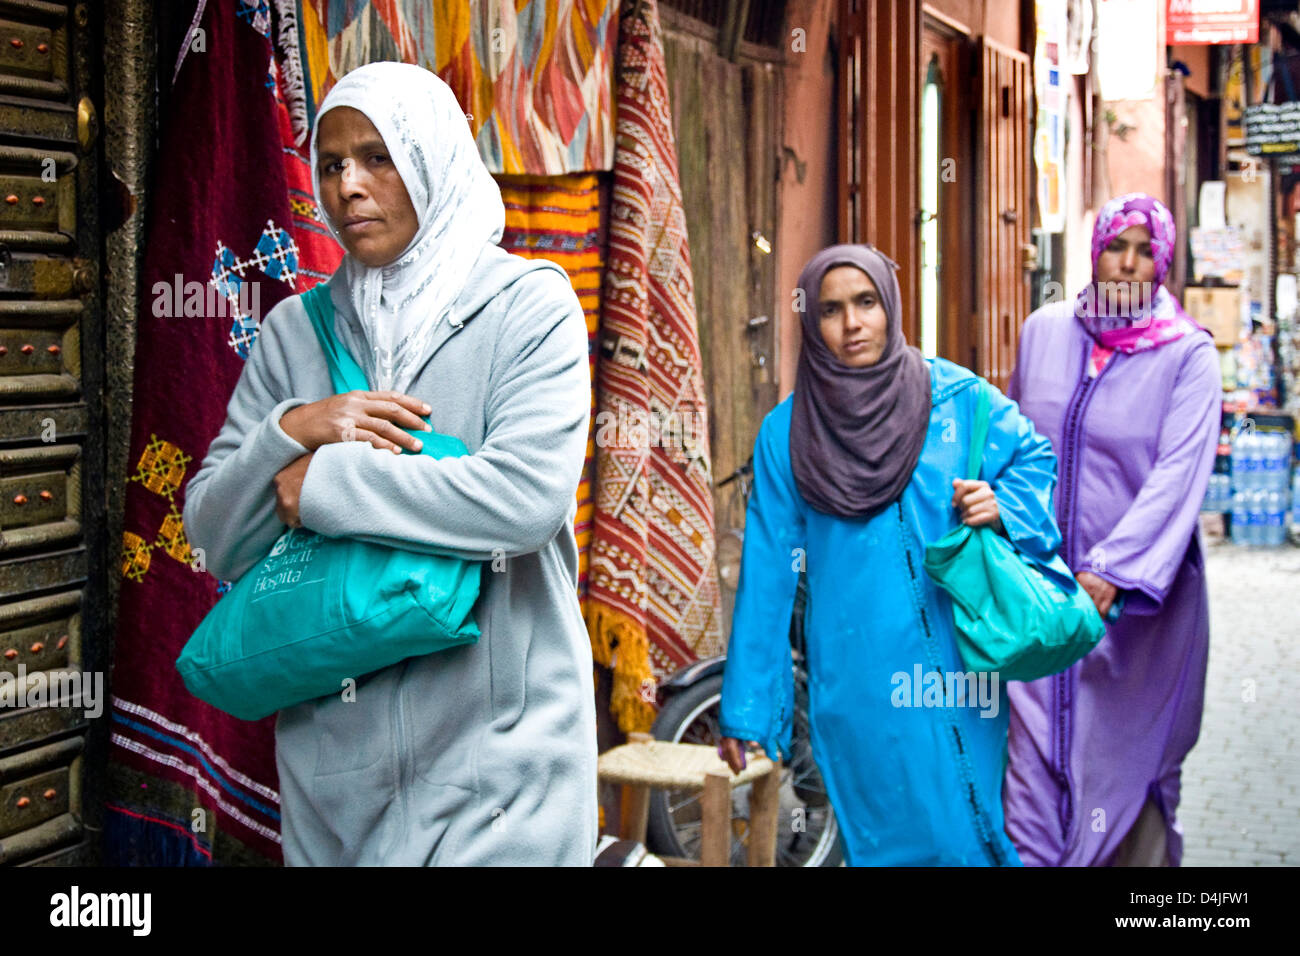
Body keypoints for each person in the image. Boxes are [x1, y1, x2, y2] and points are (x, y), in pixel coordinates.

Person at [182, 62, 598, 865]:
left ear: (432, 158)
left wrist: (330, 483)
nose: (349, 187)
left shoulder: (526, 307)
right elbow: (213, 536)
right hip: (337, 782)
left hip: (504, 772)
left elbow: (524, 499)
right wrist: (296, 428)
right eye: (331, 163)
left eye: (378, 157)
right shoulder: (295, 335)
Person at [717, 244, 1061, 865]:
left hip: (957, 669)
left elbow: (1035, 458)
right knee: (881, 843)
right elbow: (767, 576)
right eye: (831, 310)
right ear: (811, 323)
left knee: (965, 831)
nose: (852, 324)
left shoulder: (957, 399)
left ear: (891, 306)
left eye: (866, 303)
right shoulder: (787, 434)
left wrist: (1003, 505)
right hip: (857, 682)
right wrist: (746, 710)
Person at [1002, 193, 1220, 867]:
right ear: (1093, 250)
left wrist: (1111, 571)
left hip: (1139, 618)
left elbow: (1176, 480)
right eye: (1114, 247)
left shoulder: (1189, 356)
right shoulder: (1044, 330)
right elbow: (1013, 448)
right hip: (1042, 600)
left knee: (1130, 783)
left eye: (1144, 250)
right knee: (1030, 774)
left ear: (1163, 260)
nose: (1126, 264)